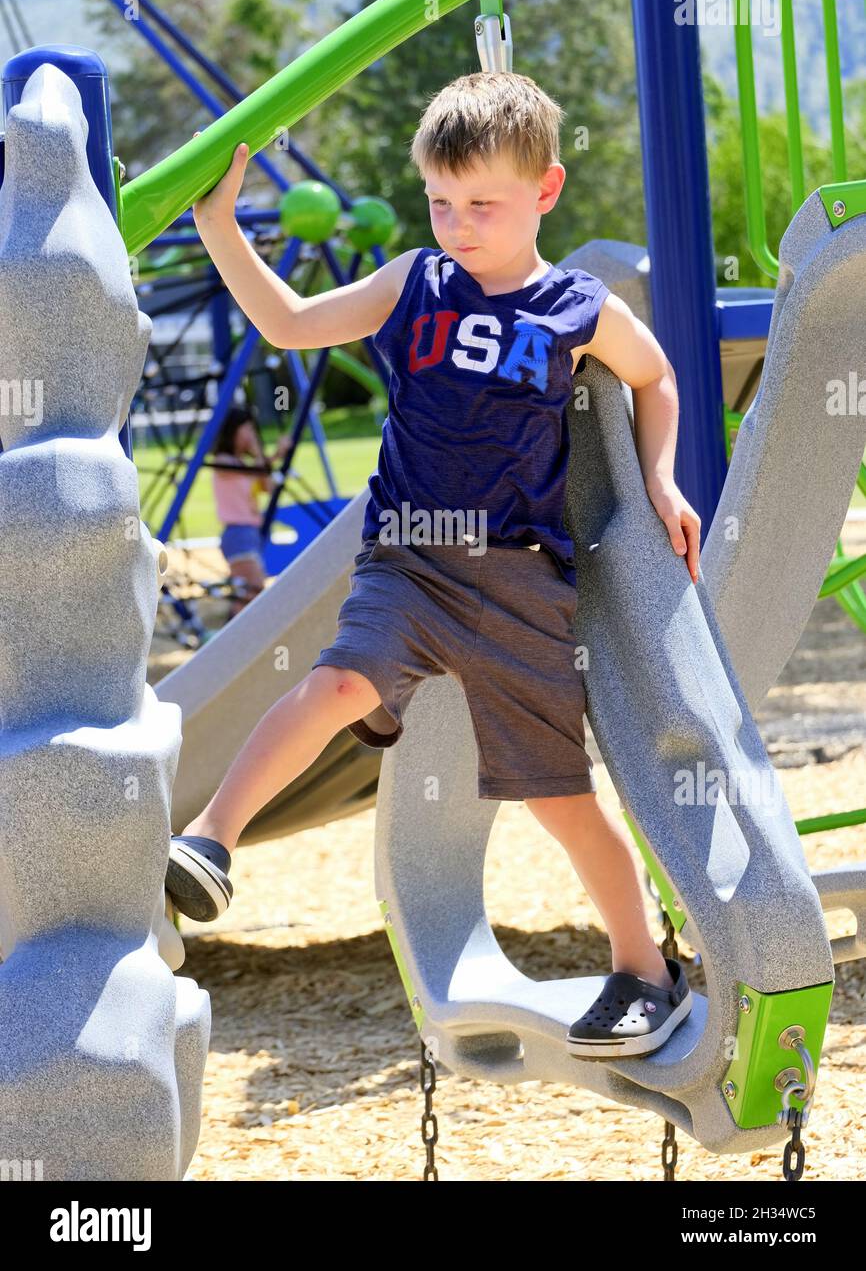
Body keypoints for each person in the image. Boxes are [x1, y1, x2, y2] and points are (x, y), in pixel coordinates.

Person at [167, 74, 701, 1058]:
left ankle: (640, 969)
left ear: (545, 190)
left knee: (555, 797)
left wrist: (661, 481)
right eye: (440, 203)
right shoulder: (411, 283)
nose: (458, 226)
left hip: (516, 582)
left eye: (482, 205)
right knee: (332, 682)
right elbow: (289, 322)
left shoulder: (576, 307)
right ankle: (210, 838)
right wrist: (220, 229)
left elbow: (657, 375)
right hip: (407, 556)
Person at [210, 404, 290, 619]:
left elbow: (268, 486)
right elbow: (251, 471)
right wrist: (264, 454)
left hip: (250, 534)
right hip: (238, 535)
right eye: (247, 429)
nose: (251, 435)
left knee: (248, 595)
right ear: (233, 431)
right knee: (253, 594)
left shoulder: (244, 465)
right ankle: (232, 640)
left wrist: (274, 456)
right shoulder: (222, 462)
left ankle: (231, 639)